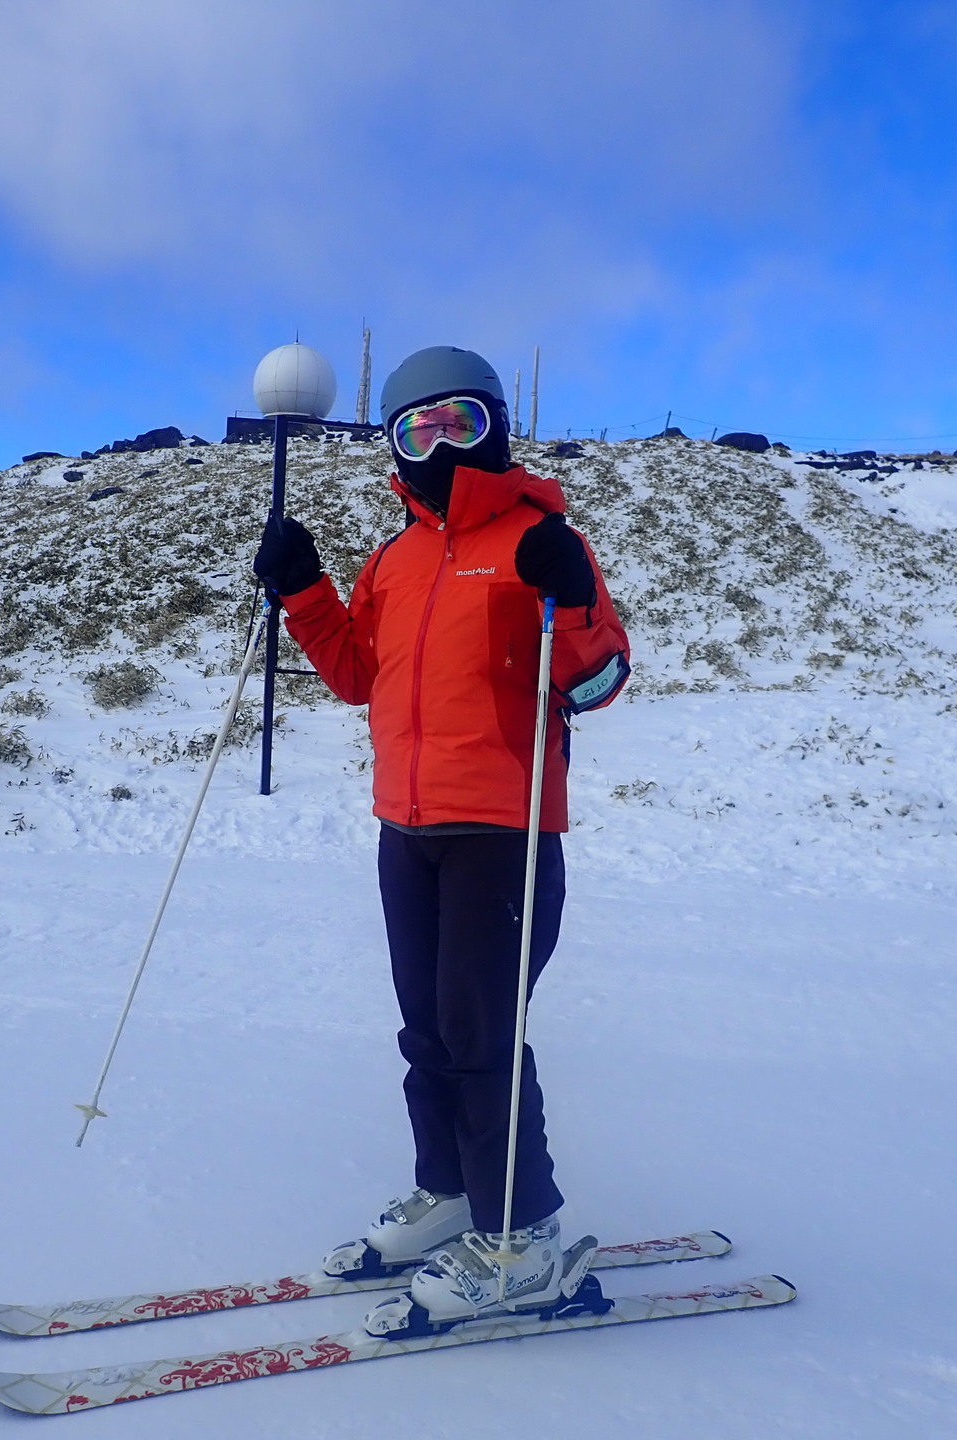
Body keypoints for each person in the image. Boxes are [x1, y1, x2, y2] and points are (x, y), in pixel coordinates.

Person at [251, 345, 631, 1326]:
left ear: (496, 425)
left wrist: (576, 602)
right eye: (416, 430)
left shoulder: (542, 541)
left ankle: (521, 1237)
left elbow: (598, 681)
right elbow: (353, 675)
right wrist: (304, 592)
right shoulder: (396, 557)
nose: (439, 446)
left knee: (480, 1033)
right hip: (405, 824)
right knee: (426, 1029)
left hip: (501, 827)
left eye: (459, 422)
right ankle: (453, 1196)